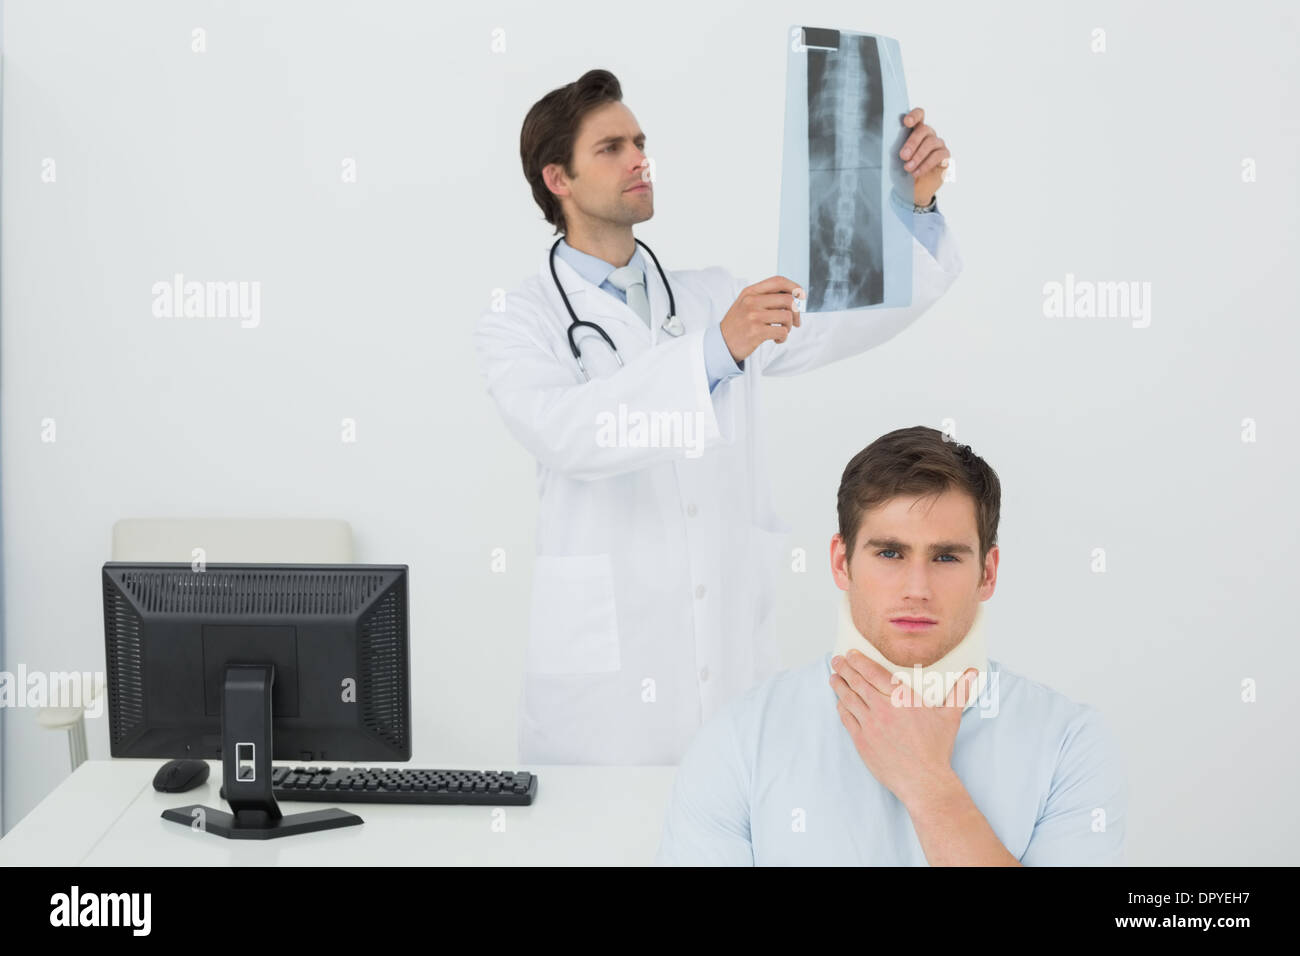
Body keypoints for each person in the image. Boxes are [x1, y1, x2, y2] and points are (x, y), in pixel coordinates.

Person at [474, 68, 963, 764]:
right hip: (602, 701)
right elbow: (568, 432)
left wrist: (912, 207)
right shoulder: (521, 321)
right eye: (611, 147)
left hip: (728, 660)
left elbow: (842, 318)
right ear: (559, 179)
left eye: (640, 141)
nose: (639, 157)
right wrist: (715, 352)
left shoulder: (712, 299)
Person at [656, 426, 1128, 865]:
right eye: (889, 553)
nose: (916, 588)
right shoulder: (738, 741)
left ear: (988, 572)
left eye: (945, 556)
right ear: (841, 562)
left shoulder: (1070, 744)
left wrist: (929, 786)